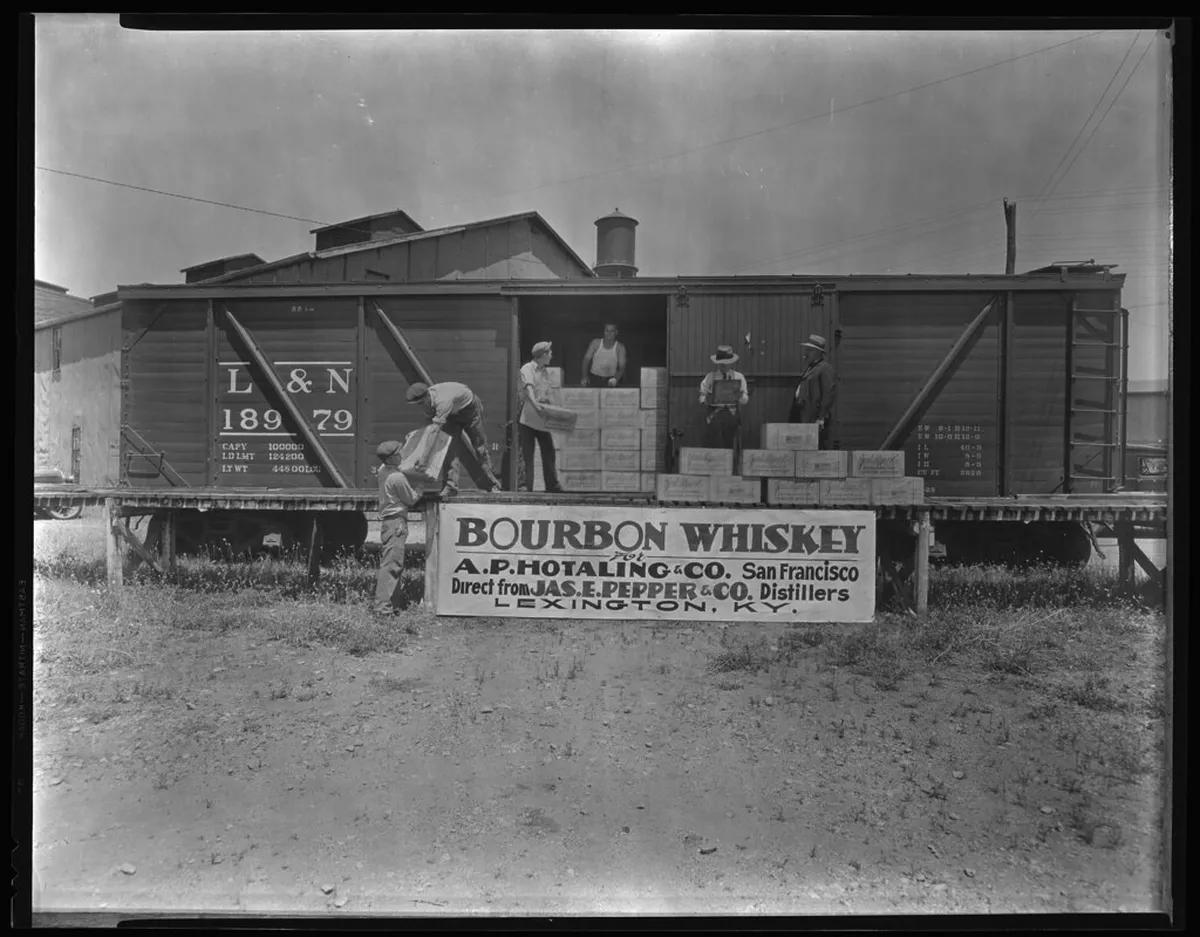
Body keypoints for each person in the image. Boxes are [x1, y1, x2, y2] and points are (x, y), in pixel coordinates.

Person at [405, 380, 502, 497]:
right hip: (452, 414)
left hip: (469, 410)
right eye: (418, 404)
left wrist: (424, 459)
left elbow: (434, 431)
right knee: (450, 449)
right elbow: (428, 427)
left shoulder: (442, 401)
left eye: (421, 403)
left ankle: (492, 484)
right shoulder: (429, 402)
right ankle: (451, 487)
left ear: (427, 396)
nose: (421, 406)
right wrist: (415, 436)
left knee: (480, 448)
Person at [372, 439, 422, 619]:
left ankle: (391, 605)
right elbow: (410, 499)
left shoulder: (383, 471)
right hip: (397, 523)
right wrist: (420, 489)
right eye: (398, 453)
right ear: (391, 458)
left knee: (391, 564)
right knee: (392, 565)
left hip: (389, 523)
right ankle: (383, 609)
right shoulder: (397, 477)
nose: (402, 455)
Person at [519, 341, 565, 492]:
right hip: (528, 418)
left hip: (541, 418)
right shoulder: (527, 368)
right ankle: (525, 487)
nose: (551, 355)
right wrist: (536, 406)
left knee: (549, 451)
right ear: (543, 354)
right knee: (527, 454)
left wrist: (553, 409)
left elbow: (546, 393)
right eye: (549, 353)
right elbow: (529, 389)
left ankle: (552, 485)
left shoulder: (544, 372)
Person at [789, 333, 836, 449]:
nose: (806, 353)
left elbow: (828, 394)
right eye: (807, 350)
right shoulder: (811, 368)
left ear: (818, 352)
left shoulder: (825, 368)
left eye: (809, 350)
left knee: (816, 446)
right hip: (803, 413)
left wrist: (821, 417)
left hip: (813, 416)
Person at [698, 344, 749, 450]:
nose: (724, 365)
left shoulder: (739, 377)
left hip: (732, 416)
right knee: (715, 446)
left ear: (731, 363)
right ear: (718, 362)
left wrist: (740, 396)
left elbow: (745, 400)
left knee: (731, 446)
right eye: (722, 363)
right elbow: (701, 398)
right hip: (714, 417)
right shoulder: (710, 377)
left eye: (727, 363)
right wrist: (707, 399)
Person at [580, 323, 627, 387]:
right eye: (607, 330)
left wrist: (615, 379)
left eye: (612, 331)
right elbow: (586, 360)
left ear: (616, 332)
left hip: (611, 379)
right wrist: (584, 376)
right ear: (604, 332)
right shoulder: (595, 343)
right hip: (594, 378)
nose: (609, 333)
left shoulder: (620, 347)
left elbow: (622, 367)